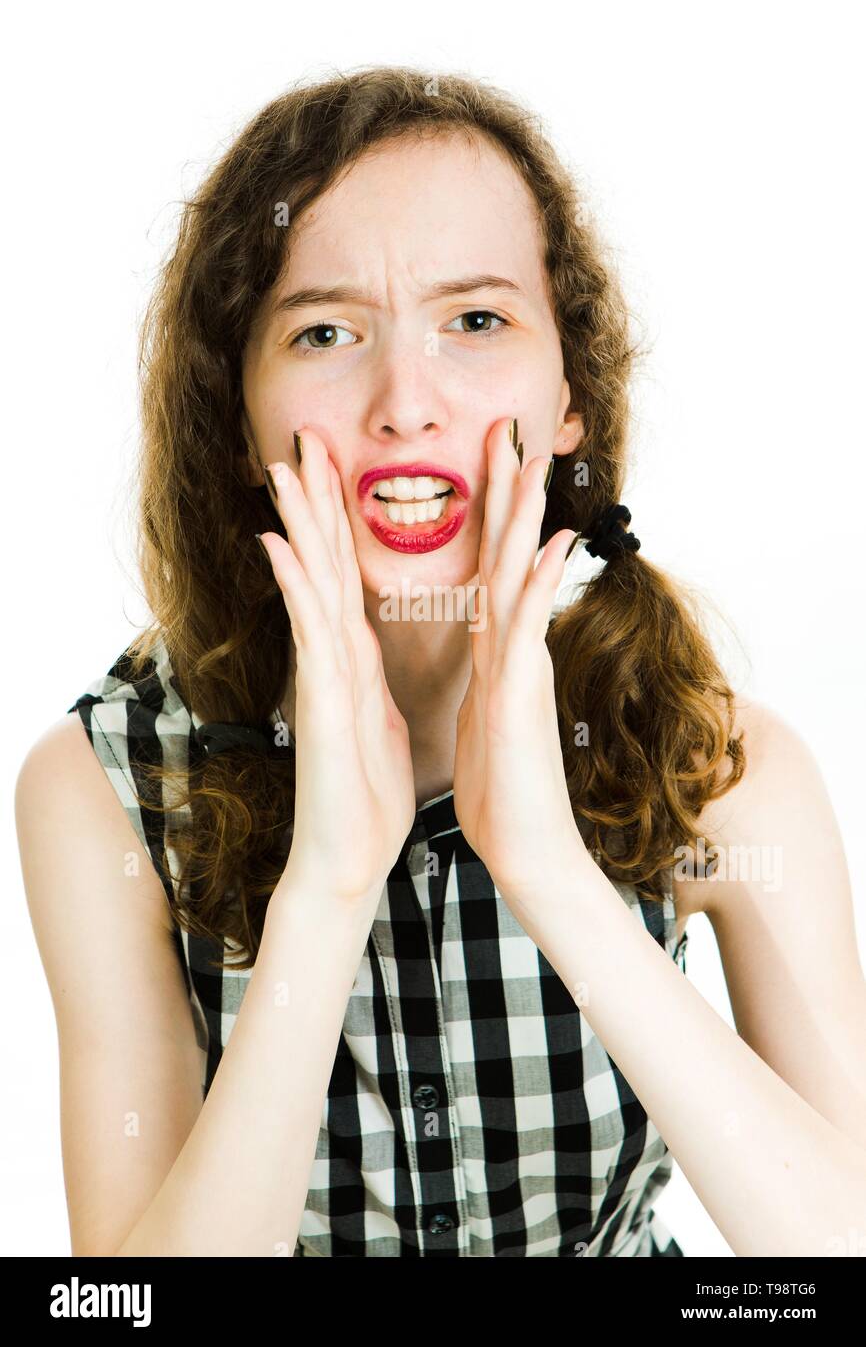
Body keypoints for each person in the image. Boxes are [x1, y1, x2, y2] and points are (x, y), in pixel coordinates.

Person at [15, 67, 866, 1259]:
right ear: (239, 412)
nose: (403, 403)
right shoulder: (101, 784)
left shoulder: (724, 763)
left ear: (567, 395)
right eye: (323, 331)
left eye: (474, 321)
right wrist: (322, 892)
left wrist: (551, 873)